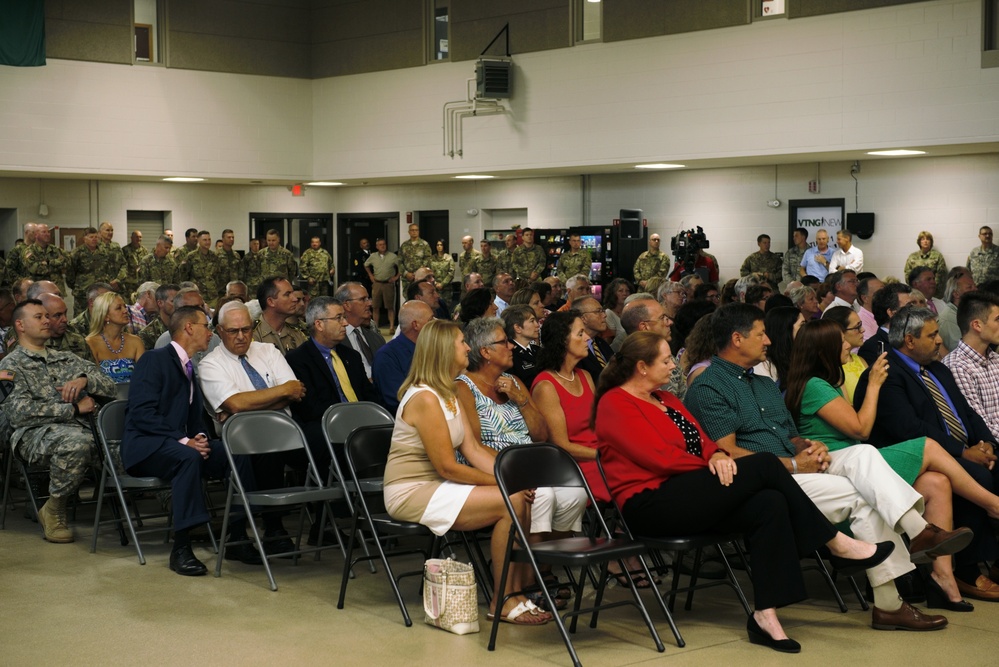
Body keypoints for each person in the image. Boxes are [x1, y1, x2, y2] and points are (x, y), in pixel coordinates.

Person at [595, 332, 894, 653]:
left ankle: (765, 615)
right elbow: (657, 457)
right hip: (650, 504)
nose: (673, 366)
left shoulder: (666, 399)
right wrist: (712, 465)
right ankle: (834, 542)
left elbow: (704, 442)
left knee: (770, 502)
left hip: (690, 492)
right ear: (642, 367)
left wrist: (717, 456)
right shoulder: (615, 402)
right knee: (765, 465)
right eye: (666, 360)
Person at [685, 303, 967, 631]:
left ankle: (919, 532)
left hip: (795, 467)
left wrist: (808, 446)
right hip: (766, 482)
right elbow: (728, 453)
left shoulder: (761, 383)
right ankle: (891, 603)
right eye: (761, 334)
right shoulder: (709, 386)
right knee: (861, 494)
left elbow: (790, 436)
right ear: (737, 338)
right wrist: (793, 463)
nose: (769, 341)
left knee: (862, 453)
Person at [787, 319, 995, 610]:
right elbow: (861, 430)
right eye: (841, 341)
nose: (849, 344)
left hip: (856, 461)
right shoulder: (815, 386)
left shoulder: (828, 383)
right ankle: (992, 504)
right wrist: (873, 385)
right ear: (824, 349)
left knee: (938, 482)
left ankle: (943, 577)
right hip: (840, 463)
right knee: (928, 446)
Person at [382, 319, 552, 626]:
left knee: (518, 496)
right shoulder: (424, 397)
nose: (466, 347)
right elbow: (447, 465)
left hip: (440, 484)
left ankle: (514, 593)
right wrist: (505, 485)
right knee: (510, 500)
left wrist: (511, 479)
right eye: (461, 342)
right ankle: (502, 600)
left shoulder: (447, 391)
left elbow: (473, 449)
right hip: (412, 490)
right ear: (445, 350)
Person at [856, 305, 999, 601]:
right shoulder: (887, 372)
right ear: (909, 340)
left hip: (955, 450)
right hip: (908, 459)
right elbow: (909, 429)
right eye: (932, 335)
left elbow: (967, 413)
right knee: (975, 475)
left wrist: (987, 444)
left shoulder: (937, 367)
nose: (939, 340)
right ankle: (968, 570)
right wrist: (963, 451)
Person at [122, 304, 263, 575]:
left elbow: (193, 417)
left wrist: (198, 437)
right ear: (189, 328)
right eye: (206, 326)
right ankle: (182, 547)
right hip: (146, 447)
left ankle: (237, 534)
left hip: (177, 444)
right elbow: (142, 414)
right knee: (189, 457)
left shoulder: (188, 366)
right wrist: (182, 440)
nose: (210, 333)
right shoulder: (154, 359)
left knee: (235, 453)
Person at [457, 317, 587, 608]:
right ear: (485, 352)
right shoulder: (464, 387)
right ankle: (527, 582)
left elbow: (540, 434)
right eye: (503, 342)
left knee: (575, 494)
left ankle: (541, 569)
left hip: (531, 464)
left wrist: (520, 399)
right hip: (494, 469)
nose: (510, 346)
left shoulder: (515, 382)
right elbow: (472, 446)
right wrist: (514, 475)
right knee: (544, 496)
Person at [0, 299, 116, 543]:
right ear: (20, 325)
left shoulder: (66, 358)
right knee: (77, 444)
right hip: (34, 435)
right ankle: (53, 509)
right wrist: (73, 408)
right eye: (38, 317)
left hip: (82, 429)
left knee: (130, 444)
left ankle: (176, 507)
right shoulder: (10, 366)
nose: (46, 321)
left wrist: (84, 380)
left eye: (46, 316)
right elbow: (18, 413)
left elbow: (110, 385)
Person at [198, 301, 307, 553]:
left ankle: (320, 524)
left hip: (286, 432)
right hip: (242, 440)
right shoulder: (210, 364)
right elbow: (236, 404)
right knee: (263, 444)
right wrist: (279, 393)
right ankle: (273, 527)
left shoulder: (268, 351)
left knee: (321, 447)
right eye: (233, 331)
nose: (241, 336)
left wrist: (248, 405)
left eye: (246, 329)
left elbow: (296, 392)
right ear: (219, 332)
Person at [530, 311, 603, 499]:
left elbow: (600, 424)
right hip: (576, 463)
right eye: (580, 333)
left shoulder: (585, 376)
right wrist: (603, 454)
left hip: (600, 453)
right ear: (563, 341)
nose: (587, 338)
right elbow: (561, 445)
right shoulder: (546, 386)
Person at [943, 291, 999, 443]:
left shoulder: (995, 359)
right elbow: (980, 425)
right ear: (977, 325)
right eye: (997, 319)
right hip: (988, 447)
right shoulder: (957, 366)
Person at [372, 300, 434, 414]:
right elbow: (399, 400)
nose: (435, 324)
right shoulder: (387, 357)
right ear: (415, 325)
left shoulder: (432, 348)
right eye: (431, 320)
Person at [85, 292, 145, 384]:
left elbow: (145, 376)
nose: (125, 310)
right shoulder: (90, 343)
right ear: (106, 316)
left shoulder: (136, 341)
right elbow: (94, 382)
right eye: (118, 308)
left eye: (124, 306)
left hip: (135, 395)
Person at [334, 282, 384, 380]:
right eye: (363, 299)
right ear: (347, 305)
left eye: (368, 298)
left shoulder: (376, 338)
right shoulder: (334, 341)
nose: (370, 303)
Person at [858, 283, 914, 365]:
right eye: (909, 307)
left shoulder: (915, 337)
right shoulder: (872, 348)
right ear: (891, 313)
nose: (914, 310)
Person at [821, 305, 867, 402]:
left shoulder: (859, 359)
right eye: (857, 327)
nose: (862, 330)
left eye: (861, 325)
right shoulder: (832, 368)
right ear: (839, 332)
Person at [252, 276, 307, 355]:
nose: (295, 299)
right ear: (271, 302)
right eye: (287, 294)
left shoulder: (297, 334)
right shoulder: (253, 334)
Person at [754, 306, 803, 388]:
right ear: (786, 330)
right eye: (802, 325)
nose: (806, 330)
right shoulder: (763, 368)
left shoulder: (798, 358)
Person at [179, 231, 225, 308]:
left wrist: (215, 288)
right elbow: (184, 276)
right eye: (205, 240)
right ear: (199, 241)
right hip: (197, 296)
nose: (208, 242)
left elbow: (219, 275)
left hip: (213, 297)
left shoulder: (215, 256)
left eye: (209, 239)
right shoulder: (191, 256)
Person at [501, 304, 542, 389]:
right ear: (518, 328)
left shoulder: (538, 350)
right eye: (532, 321)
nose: (537, 325)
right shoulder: (509, 354)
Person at [363, 238, 400, 331]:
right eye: (380, 245)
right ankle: (375, 327)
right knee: (375, 306)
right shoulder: (373, 256)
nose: (382, 246)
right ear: (377, 246)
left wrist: (396, 277)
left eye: (384, 244)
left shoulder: (393, 256)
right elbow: (366, 265)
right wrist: (370, 275)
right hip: (377, 284)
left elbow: (401, 267)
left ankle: (391, 327)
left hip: (388, 284)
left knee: (390, 307)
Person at [938, 270, 976, 351]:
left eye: (975, 286)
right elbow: (961, 352)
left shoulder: (967, 312)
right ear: (956, 294)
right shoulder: (948, 318)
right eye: (970, 287)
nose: (976, 289)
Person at [905, 231, 947, 297]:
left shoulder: (937, 256)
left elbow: (941, 274)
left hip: (934, 293)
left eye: (928, 239)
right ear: (919, 242)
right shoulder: (912, 257)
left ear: (931, 242)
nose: (925, 241)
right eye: (923, 239)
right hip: (916, 293)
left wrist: (930, 286)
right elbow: (908, 274)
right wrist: (916, 286)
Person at [138, 283, 179, 350]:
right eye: (173, 301)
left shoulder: (186, 326)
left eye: (180, 300)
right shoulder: (147, 335)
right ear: (160, 303)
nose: (179, 304)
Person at [602, 277, 632, 352]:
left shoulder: (632, 311)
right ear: (613, 294)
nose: (625, 294)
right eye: (620, 291)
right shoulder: (608, 313)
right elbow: (611, 341)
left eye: (627, 291)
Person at [857, 276, 884, 341]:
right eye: (880, 293)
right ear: (865, 298)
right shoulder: (861, 320)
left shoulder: (884, 315)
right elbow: (874, 346)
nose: (885, 296)